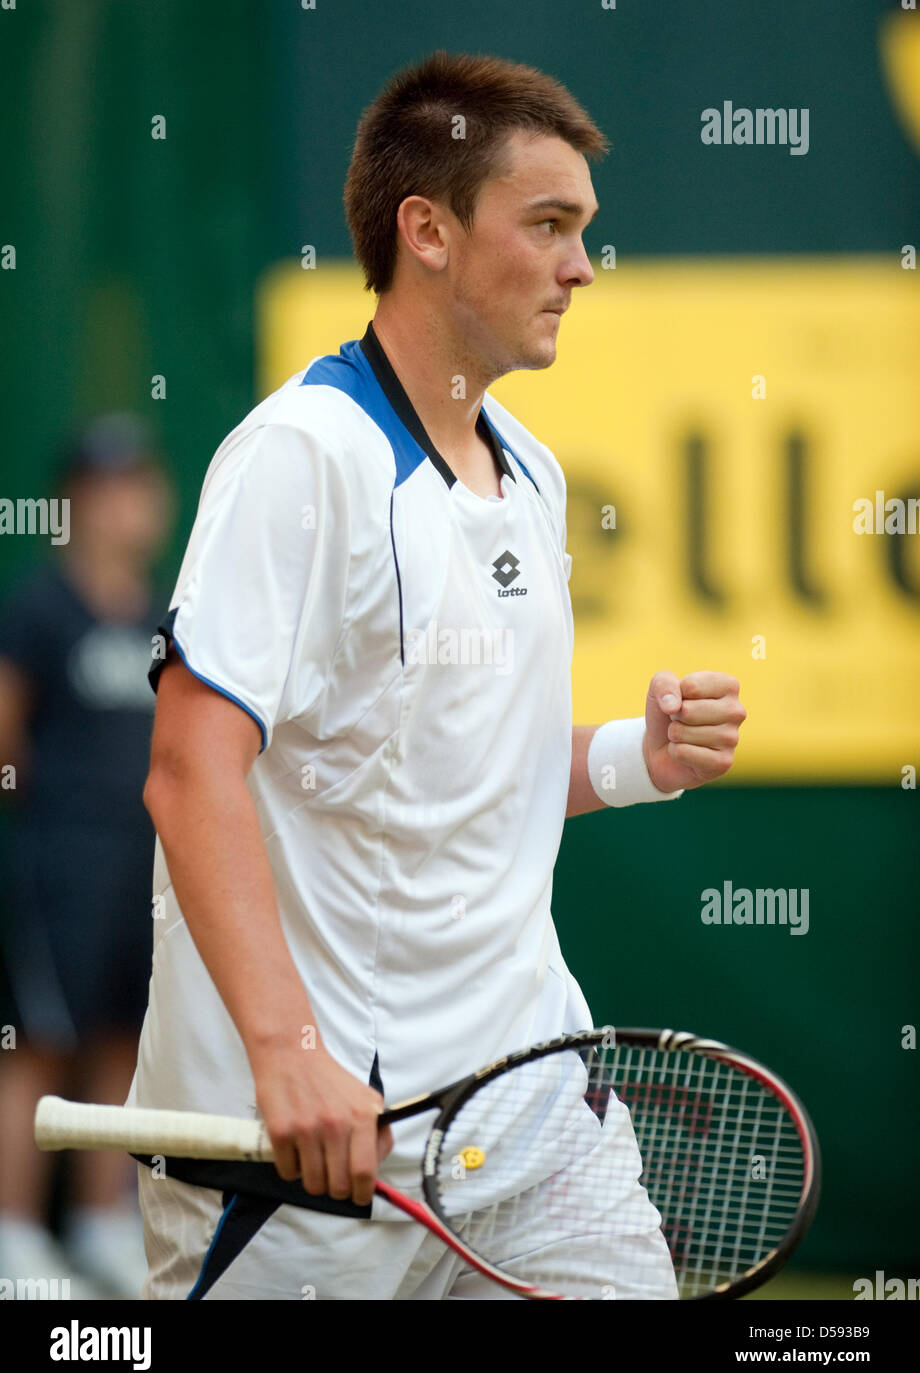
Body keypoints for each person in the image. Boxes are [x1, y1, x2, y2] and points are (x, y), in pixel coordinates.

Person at [129, 51, 746, 1300]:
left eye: (582, 230)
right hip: (309, 1156)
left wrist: (634, 758)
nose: (581, 266)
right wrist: (288, 1050)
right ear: (427, 232)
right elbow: (189, 772)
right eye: (548, 225)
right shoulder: (301, 458)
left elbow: (458, 775)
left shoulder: (532, 470)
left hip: (531, 1117)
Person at [0, 413, 174, 1297]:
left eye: (136, 487)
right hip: (55, 873)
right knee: (38, 1047)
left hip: (143, 872)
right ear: (71, 505)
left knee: (122, 1042)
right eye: (104, 491)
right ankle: (16, 1237)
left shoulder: (165, 618)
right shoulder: (37, 610)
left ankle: (104, 1222)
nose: (123, 507)